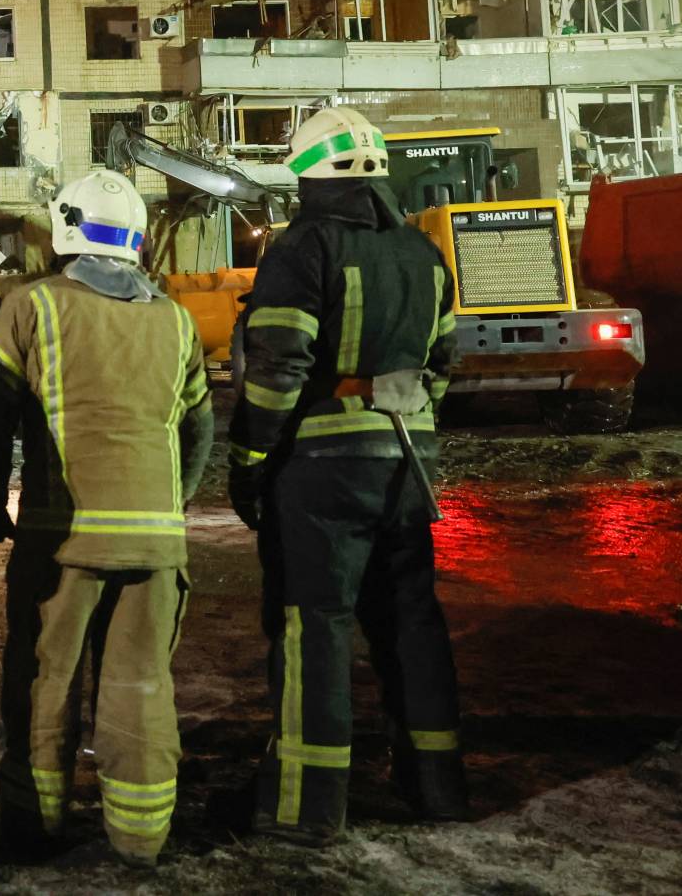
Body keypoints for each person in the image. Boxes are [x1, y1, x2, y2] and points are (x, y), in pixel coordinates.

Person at [228, 106, 466, 845]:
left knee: (315, 627)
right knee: (412, 623)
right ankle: (438, 786)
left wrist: (250, 458)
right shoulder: (423, 254)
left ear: (309, 174)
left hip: (324, 473)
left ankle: (306, 804)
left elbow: (277, 369)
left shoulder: (303, 249)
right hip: (408, 468)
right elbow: (444, 364)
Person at [0, 169, 213, 867]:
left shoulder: (32, 306)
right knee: (140, 685)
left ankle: (36, 823)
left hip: (60, 539)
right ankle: (140, 835)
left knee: (46, 679)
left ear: (67, 230)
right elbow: (199, 425)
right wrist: (174, 504)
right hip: (157, 544)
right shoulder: (174, 317)